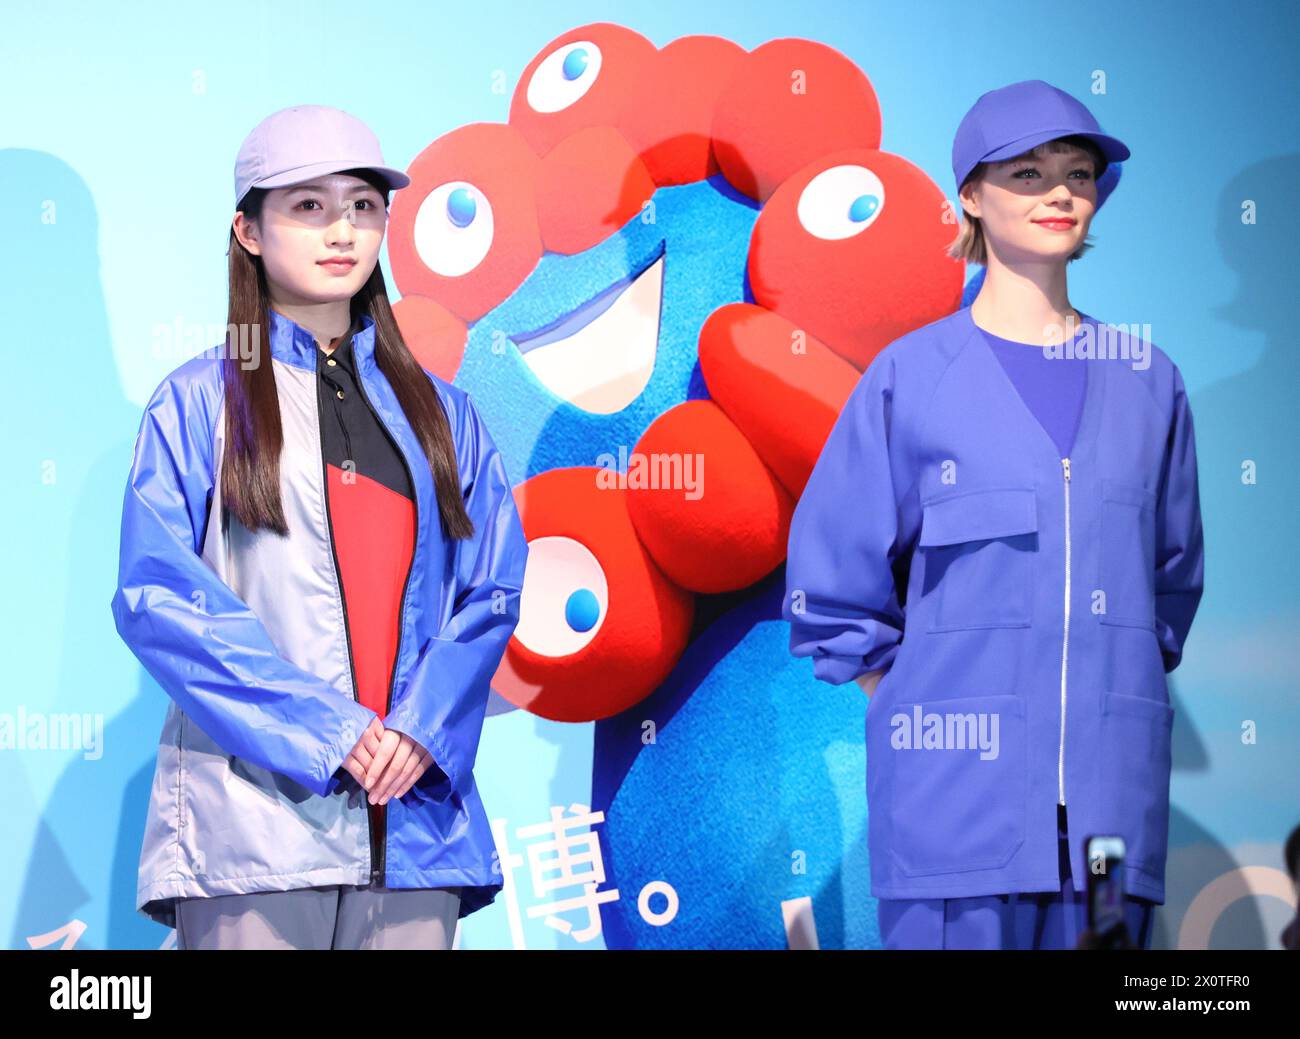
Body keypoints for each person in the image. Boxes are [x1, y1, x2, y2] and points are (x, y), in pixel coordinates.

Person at [782, 80, 1204, 949]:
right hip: (953, 812)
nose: (1060, 191)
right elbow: (832, 579)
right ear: (970, 196)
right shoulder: (911, 377)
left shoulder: (1148, 378)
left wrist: (1108, 684)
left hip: (1108, 830)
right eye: (1028, 171)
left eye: (1079, 173)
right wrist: (910, 695)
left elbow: (1171, 580)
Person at [110, 105, 529, 949]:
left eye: (363, 205)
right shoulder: (198, 402)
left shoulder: (444, 415)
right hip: (255, 832)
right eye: (308, 205)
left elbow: (493, 587)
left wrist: (422, 727)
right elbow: (158, 598)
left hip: (414, 830)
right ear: (249, 230)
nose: (342, 228)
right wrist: (328, 731)